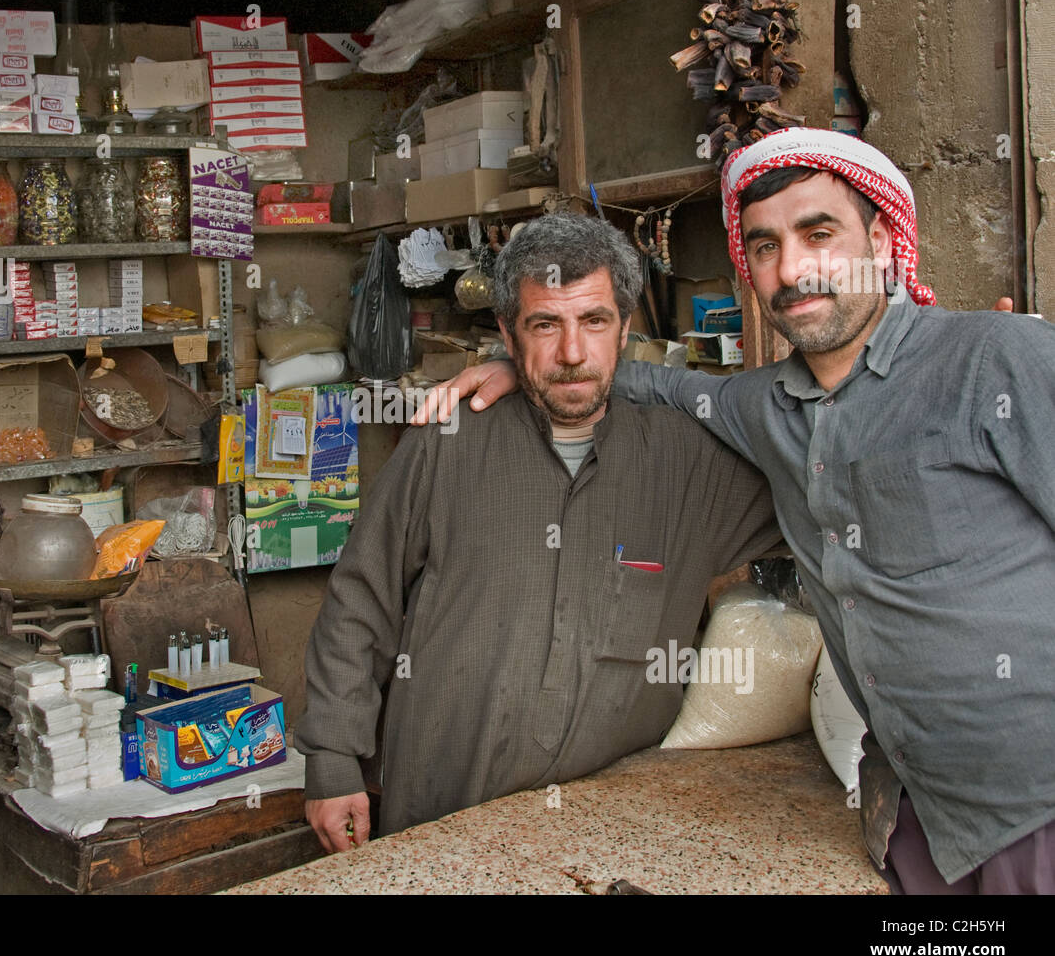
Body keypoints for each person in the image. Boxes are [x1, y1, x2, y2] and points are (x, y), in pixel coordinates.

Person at [417, 128, 1055, 894]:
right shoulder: (767, 406)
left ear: (883, 241)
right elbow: (662, 386)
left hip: (1035, 811)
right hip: (913, 820)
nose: (792, 268)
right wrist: (528, 363)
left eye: (819, 233)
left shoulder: (996, 357)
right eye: (764, 246)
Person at [295, 212, 781, 853]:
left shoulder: (690, 464)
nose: (572, 353)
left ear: (625, 328)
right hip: (439, 818)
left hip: (607, 832)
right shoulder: (447, 444)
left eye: (595, 322)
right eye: (545, 325)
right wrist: (332, 759)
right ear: (506, 333)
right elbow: (361, 601)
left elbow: (825, 466)